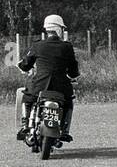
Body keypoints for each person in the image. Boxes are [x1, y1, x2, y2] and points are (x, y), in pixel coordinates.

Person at [17, 14, 79, 142]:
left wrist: (22, 66)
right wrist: (73, 76)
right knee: (68, 103)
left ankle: (25, 125)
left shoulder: (38, 45)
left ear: (47, 29)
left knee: (27, 98)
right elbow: (73, 70)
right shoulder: (67, 47)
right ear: (58, 29)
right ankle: (65, 130)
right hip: (61, 88)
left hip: (40, 85)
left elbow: (26, 65)